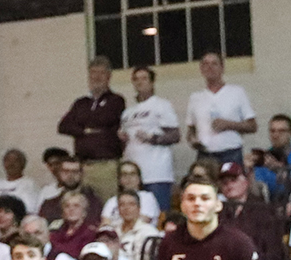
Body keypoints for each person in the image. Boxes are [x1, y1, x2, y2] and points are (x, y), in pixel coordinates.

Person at [59, 57, 126, 200]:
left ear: (109, 76)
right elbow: (63, 126)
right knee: (81, 203)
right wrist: (84, 131)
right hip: (82, 166)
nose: (97, 77)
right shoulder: (81, 103)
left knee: (107, 203)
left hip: (105, 166)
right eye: (93, 73)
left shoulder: (116, 100)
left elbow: (106, 119)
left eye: (101, 73)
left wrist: (82, 123)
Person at [118, 67, 179, 213]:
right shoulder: (127, 113)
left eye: (144, 78)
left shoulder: (162, 105)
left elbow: (175, 135)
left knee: (158, 213)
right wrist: (122, 139)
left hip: (156, 173)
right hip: (133, 176)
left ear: (152, 82)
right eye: (136, 79)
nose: (140, 82)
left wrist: (152, 138)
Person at [183, 53, 255, 168]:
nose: (210, 67)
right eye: (206, 64)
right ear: (201, 69)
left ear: (222, 68)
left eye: (214, 64)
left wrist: (229, 124)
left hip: (230, 153)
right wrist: (192, 140)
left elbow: (252, 126)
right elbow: (191, 129)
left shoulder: (237, 92)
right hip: (205, 154)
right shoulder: (195, 98)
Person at [37, 160, 104, 228]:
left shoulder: (94, 203)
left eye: (75, 171)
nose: (70, 175)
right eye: (66, 171)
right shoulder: (49, 205)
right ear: (59, 173)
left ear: (81, 174)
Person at [0, 151, 41, 226]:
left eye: (16, 161)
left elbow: (29, 210)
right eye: (8, 160)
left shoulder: (29, 184)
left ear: (23, 164)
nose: (11, 164)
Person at [254, 117, 291, 199]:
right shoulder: (264, 159)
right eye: (272, 131)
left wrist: (280, 169)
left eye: (281, 131)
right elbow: (258, 191)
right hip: (273, 203)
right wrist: (249, 172)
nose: (276, 135)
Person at [47, 193, 98, 260]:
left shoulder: (90, 233)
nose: (71, 209)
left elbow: (79, 254)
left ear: (84, 212)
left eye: (76, 206)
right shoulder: (56, 232)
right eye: (67, 206)